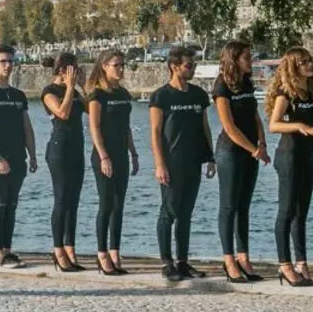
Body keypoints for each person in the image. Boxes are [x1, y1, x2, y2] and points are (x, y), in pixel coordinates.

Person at [266, 47, 313, 287]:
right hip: (289, 155)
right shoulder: (287, 93)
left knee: (301, 212)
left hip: (307, 156)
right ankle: (284, 264)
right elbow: (273, 125)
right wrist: (297, 126)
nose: (309, 65)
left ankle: (301, 262)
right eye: (303, 62)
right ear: (293, 67)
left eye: (309, 60)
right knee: (286, 211)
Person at [150, 46, 216, 282]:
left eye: (194, 65)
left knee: (186, 214)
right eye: (189, 65)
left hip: (193, 161)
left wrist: (210, 157)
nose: (193, 69)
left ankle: (183, 261)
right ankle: (166, 262)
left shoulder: (198, 94)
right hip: (171, 162)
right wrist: (160, 164)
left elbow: (205, 127)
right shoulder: (161, 96)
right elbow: (156, 132)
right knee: (168, 212)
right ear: (174, 66)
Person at [0, 45, 38, 268]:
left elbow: (27, 128)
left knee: (12, 205)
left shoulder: (18, 95)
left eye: (11, 61)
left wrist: (32, 155)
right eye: (3, 61)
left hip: (18, 157)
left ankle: (8, 250)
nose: (8, 65)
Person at [214, 40, 269, 282]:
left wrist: (262, 143)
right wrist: (251, 149)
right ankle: (228, 260)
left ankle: (244, 256)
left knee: (244, 206)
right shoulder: (221, 86)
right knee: (229, 206)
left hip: (251, 151)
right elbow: (229, 126)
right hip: (230, 151)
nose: (251, 61)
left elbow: (254, 116)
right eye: (247, 57)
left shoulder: (246, 83)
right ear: (234, 59)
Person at [86, 50, 139, 275]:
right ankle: (102, 253)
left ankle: (116, 251)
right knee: (106, 204)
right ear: (104, 66)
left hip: (121, 154)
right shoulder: (97, 95)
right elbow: (94, 127)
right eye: (116, 65)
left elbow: (126, 128)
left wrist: (134, 154)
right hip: (103, 155)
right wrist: (104, 156)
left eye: (122, 65)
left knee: (120, 205)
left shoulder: (124, 94)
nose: (121, 69)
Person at [41, 53, 87, 272]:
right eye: (73, 70)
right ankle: (58, 249)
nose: (76, 73)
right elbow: (62, 113)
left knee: (73, 202)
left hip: (77, 149)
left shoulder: (76, 91)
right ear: (62, 71)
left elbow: (91, 108)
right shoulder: (49, 92)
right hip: (59, 150)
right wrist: (69, 88)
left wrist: (84, 87)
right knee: (61, 200)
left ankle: (70, 248)